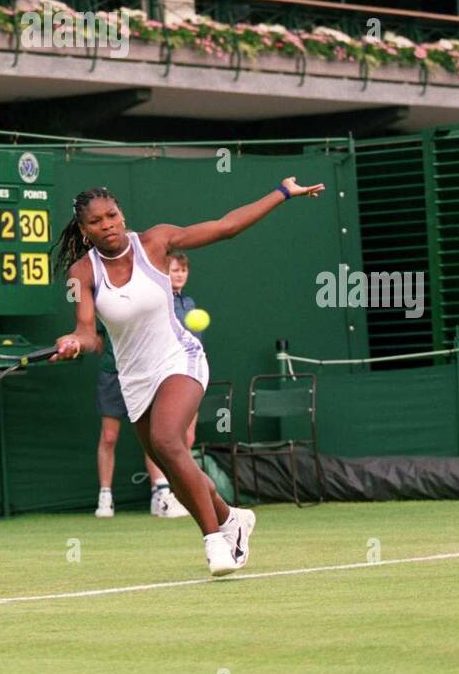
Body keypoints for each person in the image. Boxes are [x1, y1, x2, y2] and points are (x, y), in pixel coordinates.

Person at [51, 177, 325, 576]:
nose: (107, 224)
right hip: (134, 378)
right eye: (96, 221)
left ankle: (215, 541)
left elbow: (226, 226)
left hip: (180, 359)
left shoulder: (156, 242)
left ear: (121, 213)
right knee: (171, 463)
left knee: (165, 439)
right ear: (83, 229)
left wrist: (282, 193)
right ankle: (233, 518)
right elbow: (88, 333)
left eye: (112, 215)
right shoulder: (81, 273)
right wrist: (74, 342)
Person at [94, 253, 196, 520]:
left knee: (163, 436)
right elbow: (94, 338)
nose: (179, 274)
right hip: (115, 373)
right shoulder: (112, 296)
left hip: (158, 375)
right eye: (175, 269)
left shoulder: (184, 303)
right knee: (109, 436)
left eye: (184, 270)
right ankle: (105, 496)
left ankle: (161, 494)